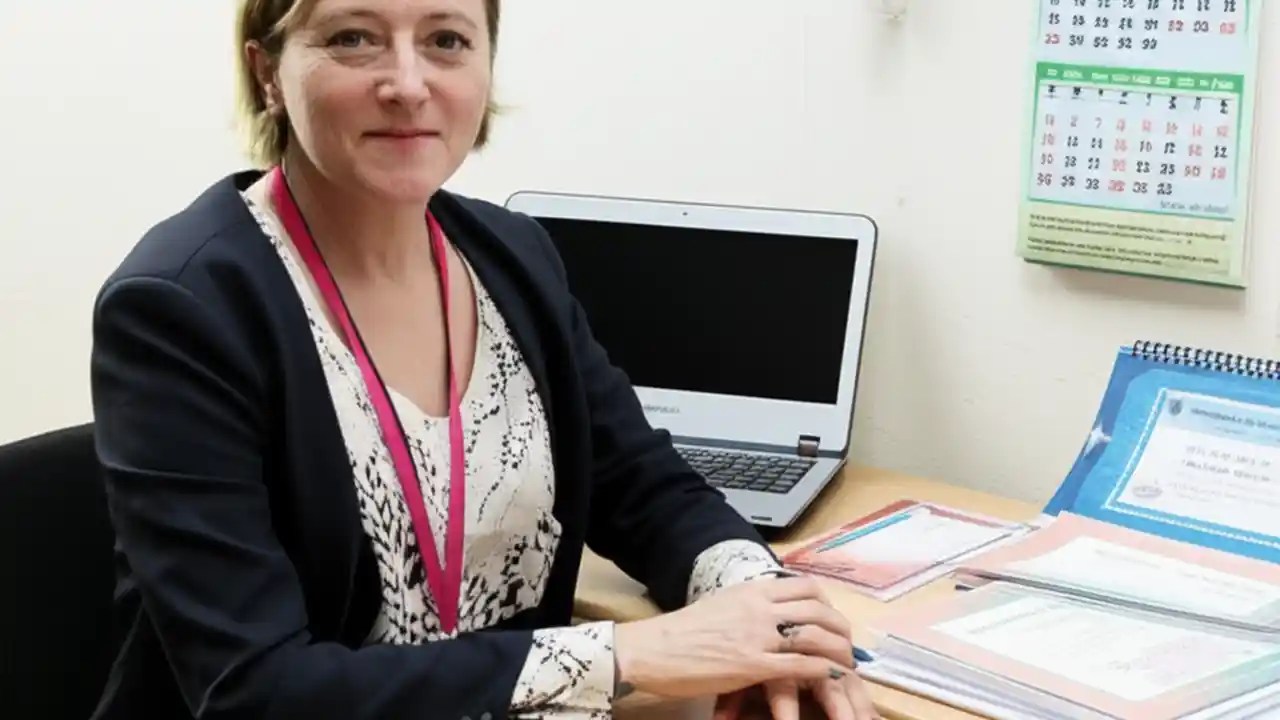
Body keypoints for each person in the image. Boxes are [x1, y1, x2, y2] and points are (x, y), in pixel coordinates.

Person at [87, 1, 880, 719]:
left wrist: (767, 605)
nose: (407, 83)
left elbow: (643, 483)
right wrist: (631, 656)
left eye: (446, 40)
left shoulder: (511, 257)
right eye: (353, 39)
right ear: (268, 72)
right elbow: (256, 690)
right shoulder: (182, 309)